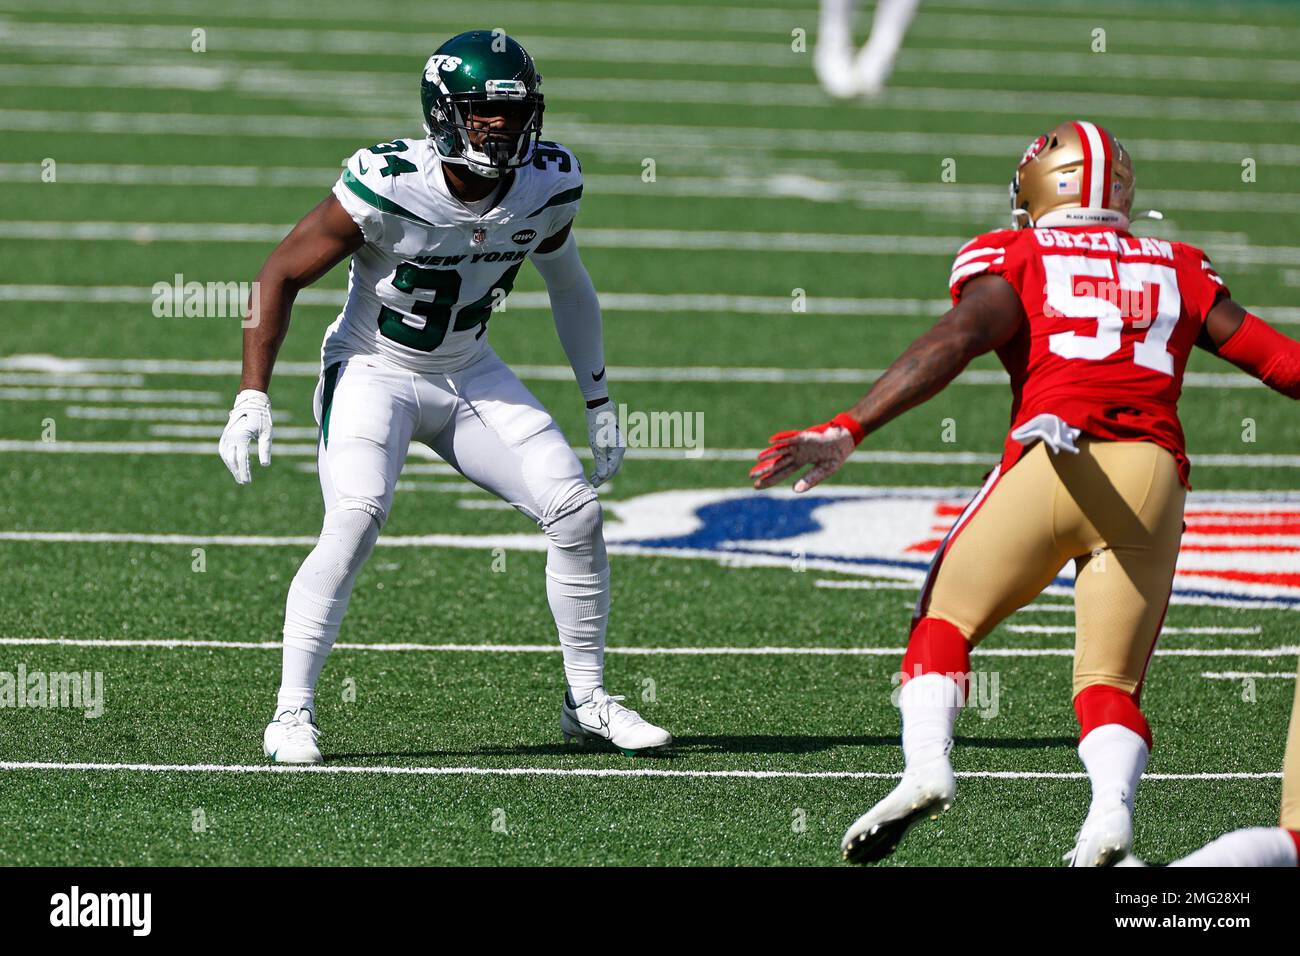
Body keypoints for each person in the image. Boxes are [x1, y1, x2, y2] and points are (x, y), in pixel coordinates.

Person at [751, 121, 1300, 865]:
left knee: (942, 622)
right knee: (1109, 683)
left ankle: (927, 769)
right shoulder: (1177, 266)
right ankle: (1109, 812)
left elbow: (956, 339)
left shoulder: (1021, 251)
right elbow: (1281, 364)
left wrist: (852, 426)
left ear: (1042, 187)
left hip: (1056, 454)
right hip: (1150, 476)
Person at [219, 30, 672, 764]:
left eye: (516, 112)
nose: (502, 127)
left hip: (471, 370)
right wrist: (251, 397)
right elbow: (278, 274)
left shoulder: (548, 183)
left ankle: (586, 701)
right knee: (357, 518)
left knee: (578, 514)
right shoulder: (389, 179)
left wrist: (598, 400)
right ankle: (290, 713)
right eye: (482, 113)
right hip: (374, 368)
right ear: (443, 113)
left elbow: (571, 286)